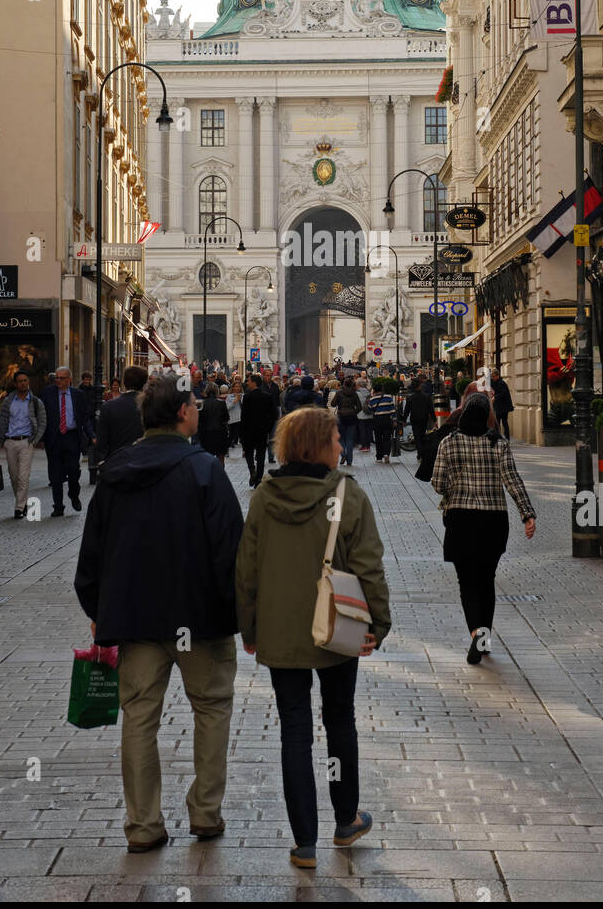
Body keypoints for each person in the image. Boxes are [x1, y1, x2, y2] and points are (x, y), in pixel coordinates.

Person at [74, 374, 244, 853]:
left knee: (139, 717)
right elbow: (232, 552)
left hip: (136, 621)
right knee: (211, 709)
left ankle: (143, 825)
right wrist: (237, 615)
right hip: (201, 620)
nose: (195, 408)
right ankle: (205, 813)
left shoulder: (114, 473)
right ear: (183, 413)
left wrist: (101, 610)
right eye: (192, 402)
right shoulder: (206, 470)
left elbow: (92, 559)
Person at [235, 405, 390, 869]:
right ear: (319, 446)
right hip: (337, 627)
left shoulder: (265, 494)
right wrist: (377, 625)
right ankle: (345, 821)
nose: (342, 446)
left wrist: (249, 627)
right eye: (336, 440)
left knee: (295, 731)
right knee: (340, 721)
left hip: (281, 631)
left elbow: (246, 568)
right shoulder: (346, 494)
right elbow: (368, 567)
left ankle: (304, 841)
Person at [431, 394, 536, 665]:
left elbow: (438, 484)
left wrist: (455, 480)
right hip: (493, 521)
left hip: (460, 519)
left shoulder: (449, 443)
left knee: (467, 582)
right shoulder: (497, 443)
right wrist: (527, 514)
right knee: (486, 581)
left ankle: (476, 633)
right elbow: (513, 480)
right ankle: (484, 640)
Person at [0, 371, 47, 519]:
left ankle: (19, 507)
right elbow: (1, 422)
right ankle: (23, 501)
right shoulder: (8, 401)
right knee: (14, 476)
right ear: (15, 384)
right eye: (20, 381)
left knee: (23, 476)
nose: (23, 383)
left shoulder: (35, 402)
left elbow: (42, 422)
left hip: (27, 442)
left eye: (25, 380)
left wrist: (35, 440)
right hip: (10, 442)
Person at [41, 367, 95, 518]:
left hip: (72, 437)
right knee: (55, 474)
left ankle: (74, 494)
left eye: (62, 378)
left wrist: (92, 435)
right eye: (57, 378)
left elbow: (84, 418)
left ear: (69, 379)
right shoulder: (48, 393)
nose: (58, 381)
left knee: (73, 471)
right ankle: (58, 506)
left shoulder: (78, 395)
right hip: (54, 438)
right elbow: (41, 415)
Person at [94, 365, 146, 463]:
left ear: (124, 383)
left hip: (116, 462)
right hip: (142, 461)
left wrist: (103, 461)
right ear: (144, 383)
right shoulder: (151, 405)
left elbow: (102, 439)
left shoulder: (108, 406)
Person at [240, 373, 276, 488]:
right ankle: (259, 478)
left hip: (249, 430)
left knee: (249, 452)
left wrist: (242, 432)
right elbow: (273, 414)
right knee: (261, 454)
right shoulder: (267, 396)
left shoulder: (247, 397)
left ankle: (252, 471)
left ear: (254, 382)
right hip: (262, 430)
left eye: (249, 381)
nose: (247, 383)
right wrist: (268, 428)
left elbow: (244, 416)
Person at [331, 376, 361, 467]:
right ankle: (349, 461)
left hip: (341, 417)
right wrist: (353, 412)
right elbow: (359, 407)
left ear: (343, 383)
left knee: (340, 438)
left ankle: (343, 454)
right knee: (349, 439)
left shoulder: (339, 393)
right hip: (351, 418)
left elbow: (333, 404)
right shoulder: (354, 393)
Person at [198, 382, 229, 465]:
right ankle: (220, 476)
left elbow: (199, 420)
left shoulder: (202, 404)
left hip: (206, 433)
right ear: (216, 391)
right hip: (220, 433)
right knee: (221, 458)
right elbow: (226, 419)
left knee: (207, 458)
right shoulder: (221, 403)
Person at [404, 378, 434, 459]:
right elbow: (431, 409)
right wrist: (435, 420)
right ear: (420, 386)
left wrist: (404, 420)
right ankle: (422, 453)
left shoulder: (410, 398)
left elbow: (407, 410)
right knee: (422, 435)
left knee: (417, 437)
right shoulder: (426, 397)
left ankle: (420, 453)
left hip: (415, 419)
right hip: (424, 419)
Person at [367, 382, 396, 463]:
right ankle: (386, 454)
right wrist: (394, 420)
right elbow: (392, 410)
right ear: (382, 389)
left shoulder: (372, 399)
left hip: (377, 420)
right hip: (387, 419)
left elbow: (370, 409)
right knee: (387, 438)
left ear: (375, 390)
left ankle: (379, 457)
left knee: (378, 439)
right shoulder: (389, 397)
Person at [261, 368, 281, 464]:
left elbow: (278, 402)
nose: (268, 377)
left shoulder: (275, 386)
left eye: (270, 375)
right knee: (262, 437)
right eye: (267, 375)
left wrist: (278, 413)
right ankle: (260, 455)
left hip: (273, 414)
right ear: (263, 375)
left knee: (272, 437)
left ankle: (271, 456)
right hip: (263, 415)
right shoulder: (260, 386)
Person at [490, 370, 514, 440]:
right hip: (500, 407)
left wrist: (495, 397)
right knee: (501, 422)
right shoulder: (496, 382)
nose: (492, 378)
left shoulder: (501, 383)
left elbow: (503, 394)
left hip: (503, 407)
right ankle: (502, 438)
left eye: (493, 376)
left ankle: (503, 438)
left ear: (497, 376)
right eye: (492, 376)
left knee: (502, 422)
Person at [356, 375, 373, 452]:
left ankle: (364, 446)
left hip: (361, 415)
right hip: (369, 414)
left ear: (359, 385)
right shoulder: (369, 393)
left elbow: (356, 405)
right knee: (369, 431)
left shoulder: (357, 393)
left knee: (362, 430)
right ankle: (368, 446)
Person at [225, 376, 243, 452]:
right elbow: (227, 407)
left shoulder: (243, 396)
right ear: (233, 388)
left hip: (241, 418)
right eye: (236, 386)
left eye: (239, 386)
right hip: (232, 419)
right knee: (231, 435)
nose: (237, 388)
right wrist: (235, 401)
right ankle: (226, 450)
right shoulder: (229, 396)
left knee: (242, 436)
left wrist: (240, 400)